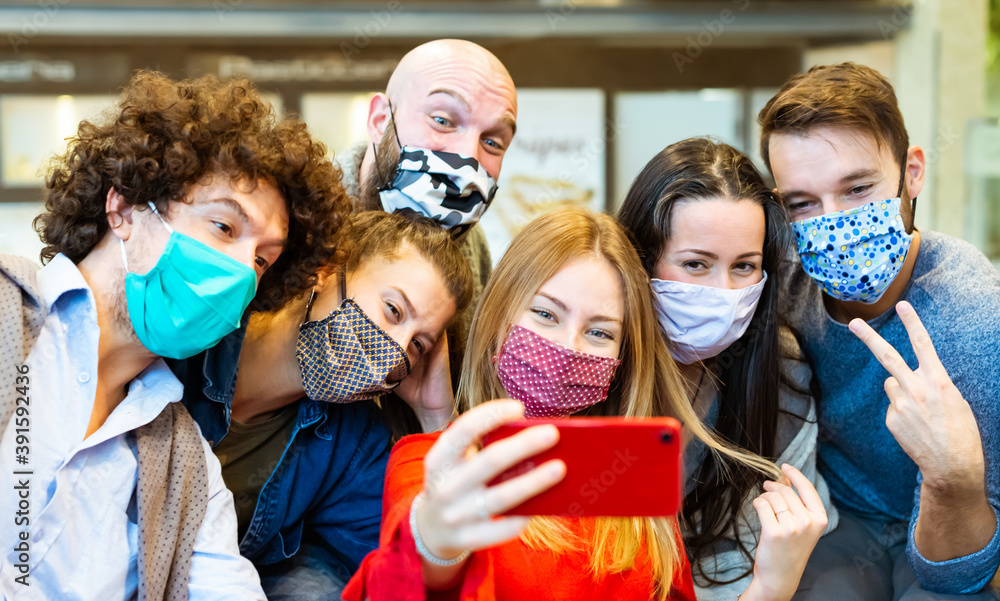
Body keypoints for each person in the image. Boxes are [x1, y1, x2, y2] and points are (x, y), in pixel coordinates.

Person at [342, 207, 827, 601]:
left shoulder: (634, 487)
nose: (567, 347)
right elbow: (400, 582)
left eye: (599, 332)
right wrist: (432, 543)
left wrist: (769, 588)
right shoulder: (430, 463)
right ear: (496, 318)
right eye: (544, 313)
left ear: (621, 360)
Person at [0, 70, 348, 600]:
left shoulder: (185, 467)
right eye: (224, 227)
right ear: (124, 208)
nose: (242, 271)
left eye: (262, 260)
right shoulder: (7, 311)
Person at [757, 62, 1000, 598]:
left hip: (947, 523)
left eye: (858, 189)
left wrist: (950, 478)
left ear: (912, 173)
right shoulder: (782, 281)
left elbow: (965, 566)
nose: (833, 223)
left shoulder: (975, 317)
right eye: (802, 203)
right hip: (840, 518)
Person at [172, 211, 473, 601]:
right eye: (393, 310)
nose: (395, 351)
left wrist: (437, 417)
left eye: (418, 345)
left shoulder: (355, 442)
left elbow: (409, 571)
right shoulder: (194, 329)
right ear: (326, 270)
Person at [617, 137, 837, 600]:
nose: (724, 291)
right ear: (641, 259)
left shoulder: (782, 372)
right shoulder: (595, 362)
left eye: (744, 266)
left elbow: (763, 557)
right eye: (696, 264)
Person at [337, 38, 518, 434]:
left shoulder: (470, 248)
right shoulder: (299, 221)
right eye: (443, 120)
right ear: (380, 120)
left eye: (492, 142)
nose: (468, 157)